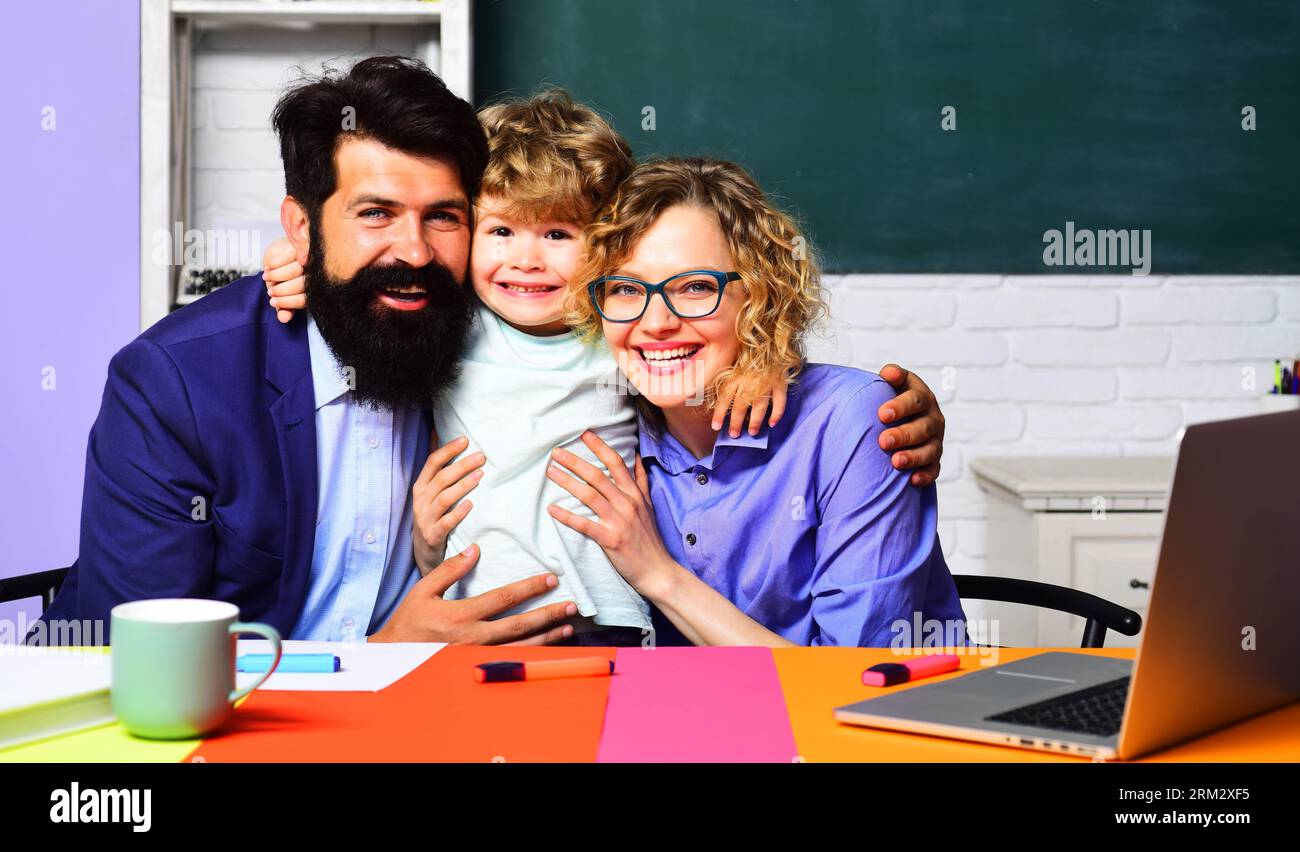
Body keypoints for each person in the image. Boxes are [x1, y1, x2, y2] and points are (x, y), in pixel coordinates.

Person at [261, 90, 951, 645]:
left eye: (558, 235)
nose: (654, 324)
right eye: (628, 290)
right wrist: (305, 263)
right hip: (492, 631)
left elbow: (854, 693)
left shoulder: (625, 346)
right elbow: (386, 285)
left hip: (658, 651)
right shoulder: (476, 335)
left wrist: (771, 360)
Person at [37, 57, 578, 645]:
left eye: (443, 217)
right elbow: (146, 660)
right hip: (188, 719)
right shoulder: (173, 384)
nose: (416, 252)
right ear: (301, 227)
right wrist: (387, 656)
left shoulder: (477, 327)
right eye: (376, 213)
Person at [546, 157, 967, 646]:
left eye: (696, 287)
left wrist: (659, 576)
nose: (656, 322)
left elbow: (853, 679)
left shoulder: (851, 422)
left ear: (760, 297)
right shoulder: (603, 425)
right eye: (624, 289)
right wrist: (430, 550)